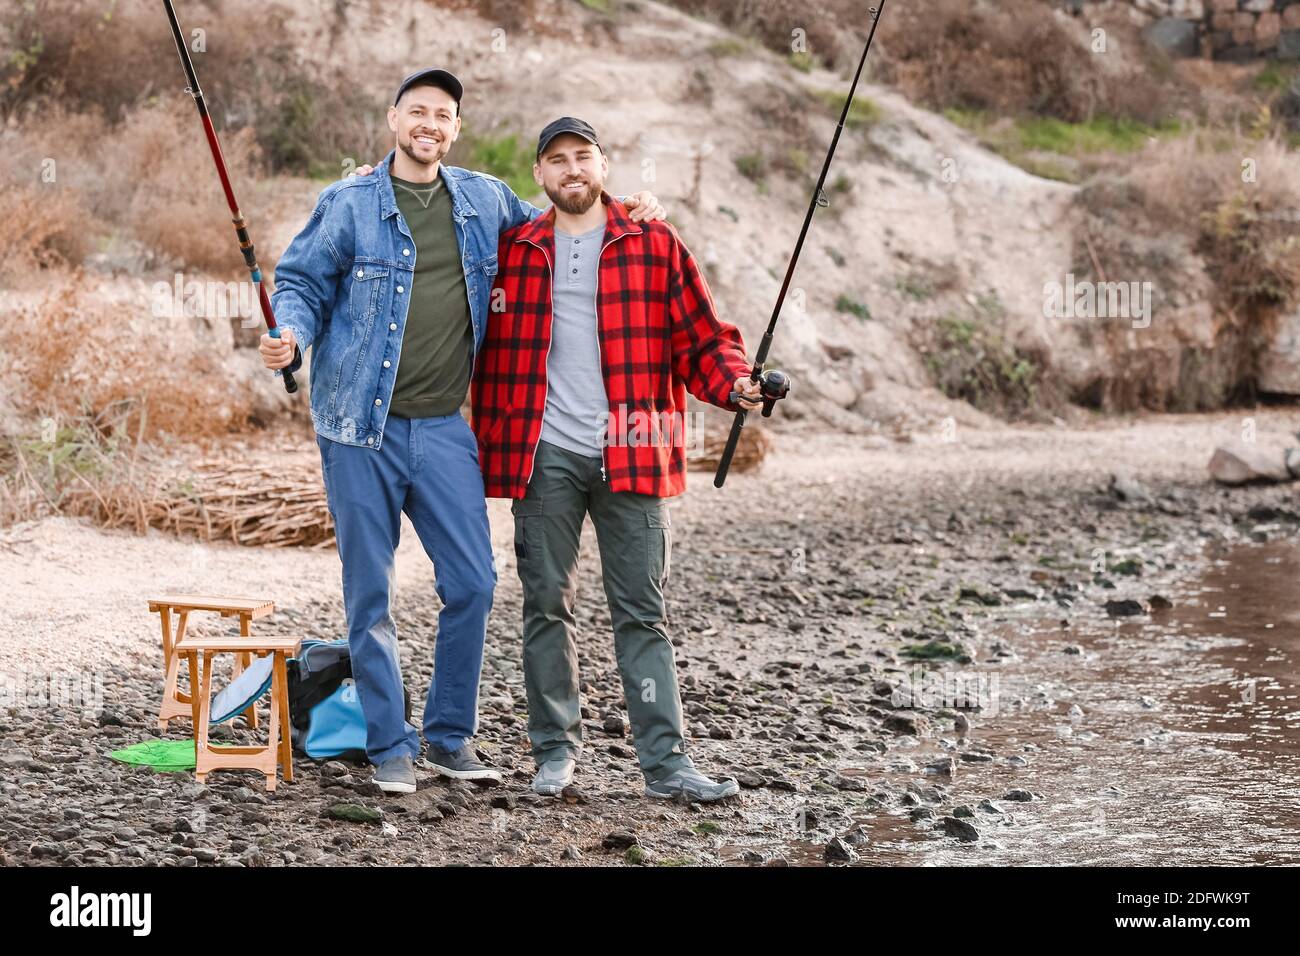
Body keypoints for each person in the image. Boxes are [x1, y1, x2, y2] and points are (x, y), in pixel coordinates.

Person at [259, 71, 665, 794]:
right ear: (393, 120)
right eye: (417, 112)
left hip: (446, 429)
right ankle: (388, 743)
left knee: (474, 583)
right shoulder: (349, 202)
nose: (430, 125)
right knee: (370, 594)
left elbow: (558, 219)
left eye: (442, 116)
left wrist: (625, 207)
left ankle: (448, 738)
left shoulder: (484, 199)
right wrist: (289, 333)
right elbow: (300, 283)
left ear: (454, 129)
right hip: (359, 429)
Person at [471, 117, 780, 802]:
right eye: (556, 160)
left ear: (605, 167)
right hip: (541, 452)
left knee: (641, 611)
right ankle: (554, 754)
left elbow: (704, 339)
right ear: (540, 177)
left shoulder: (655, 243)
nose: (571, 169)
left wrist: (735, 383)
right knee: (545, 605)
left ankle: (666, 766)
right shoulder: (511, 249)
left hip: (635, 450)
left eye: (583, 156)